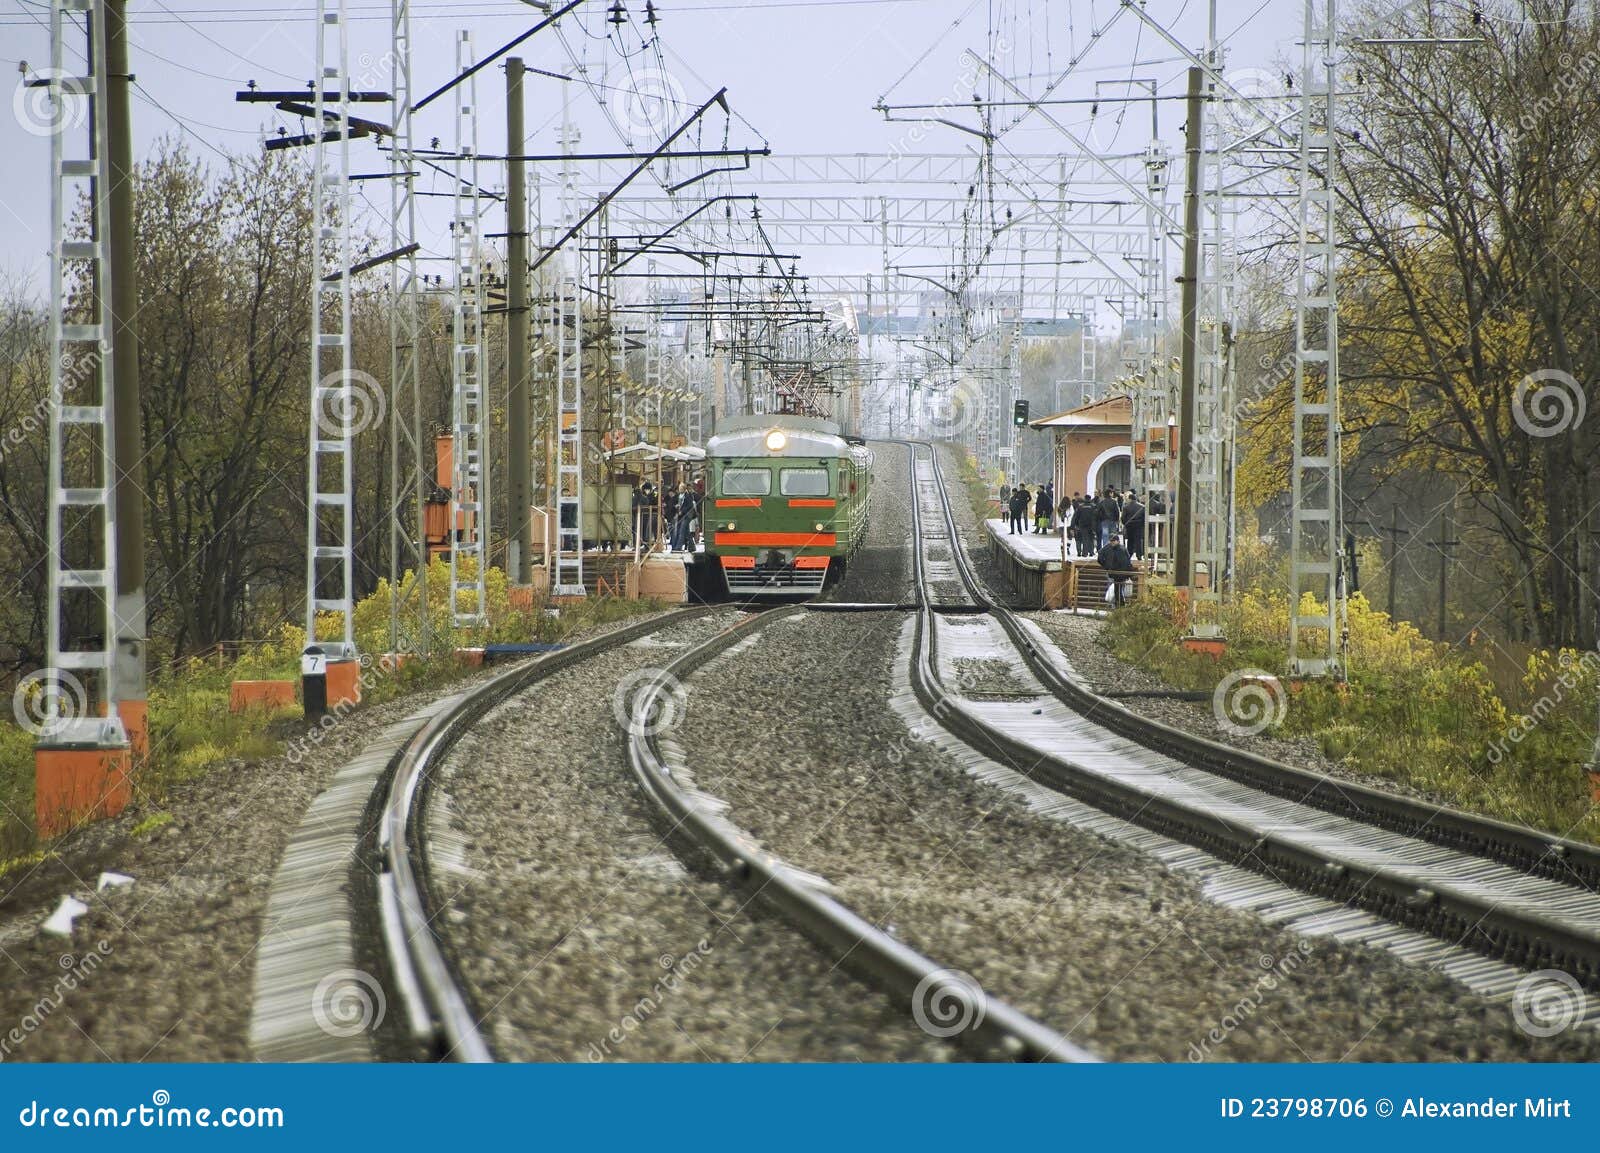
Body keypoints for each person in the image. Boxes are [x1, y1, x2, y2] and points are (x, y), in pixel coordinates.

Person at [1096, 532, 1135, 607]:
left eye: (1113, 541)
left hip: (1116, 573)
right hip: (1117, 573)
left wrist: (1106, 566)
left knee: (1116, 590)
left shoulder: (1108, 547)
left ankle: (1116, 605)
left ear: (1117, 541)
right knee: (1117, 590)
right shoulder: (1122, 549)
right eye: (1111, 541)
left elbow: (1100, 557)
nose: (1112, 542)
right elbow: (1127, 562)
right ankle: (1118, 605)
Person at [1122, 490, 1146, 559]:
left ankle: (1129, 554)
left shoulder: (1126, 507)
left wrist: (1125, 524)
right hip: (1139, 526)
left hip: (1130, 526)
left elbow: (1123, 518)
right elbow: (1144, 518)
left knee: (1130, 541)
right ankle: (1139, 555)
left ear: (1130, 499)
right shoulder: (1142, 507)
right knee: (1138, 541)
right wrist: (1142, 525)